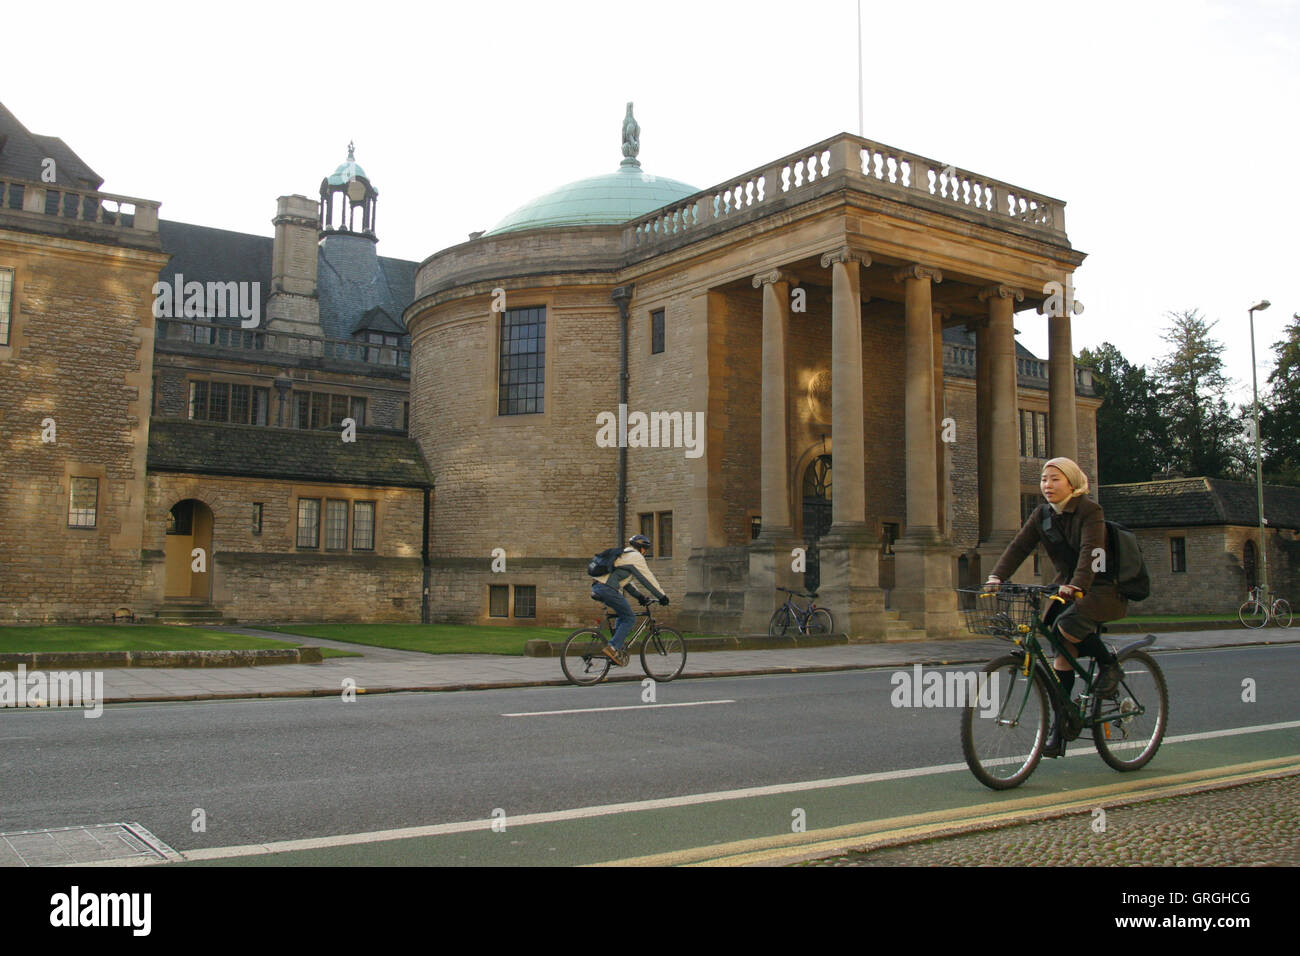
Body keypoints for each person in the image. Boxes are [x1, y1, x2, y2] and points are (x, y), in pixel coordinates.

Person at [984, 457, 1127, 757]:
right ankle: (1061, 727)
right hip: (1068, 586)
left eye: (1055, 479)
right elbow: (1020, 546)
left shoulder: (1090, 511)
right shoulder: (1042, 515)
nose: (1047, 485)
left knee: (1067, 625)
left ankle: (1109, 664)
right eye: (1044, 479)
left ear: (1072, 483)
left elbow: (1093, 551)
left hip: (1101, 586)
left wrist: (1078, 585)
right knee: (1057, 640)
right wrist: (997, 575)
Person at [591, 534, 669, 665]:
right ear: (642, 548)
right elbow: (647, 578)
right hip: (608, 589)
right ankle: (613, 647)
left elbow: (626, 583)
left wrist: (640, 597)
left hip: (599, 587)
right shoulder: (636, 557)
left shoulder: (624, 554)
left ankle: (616, 647)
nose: (645, 552)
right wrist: (662, 596)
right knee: (630, 618)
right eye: (646, 549)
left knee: (623, 614)